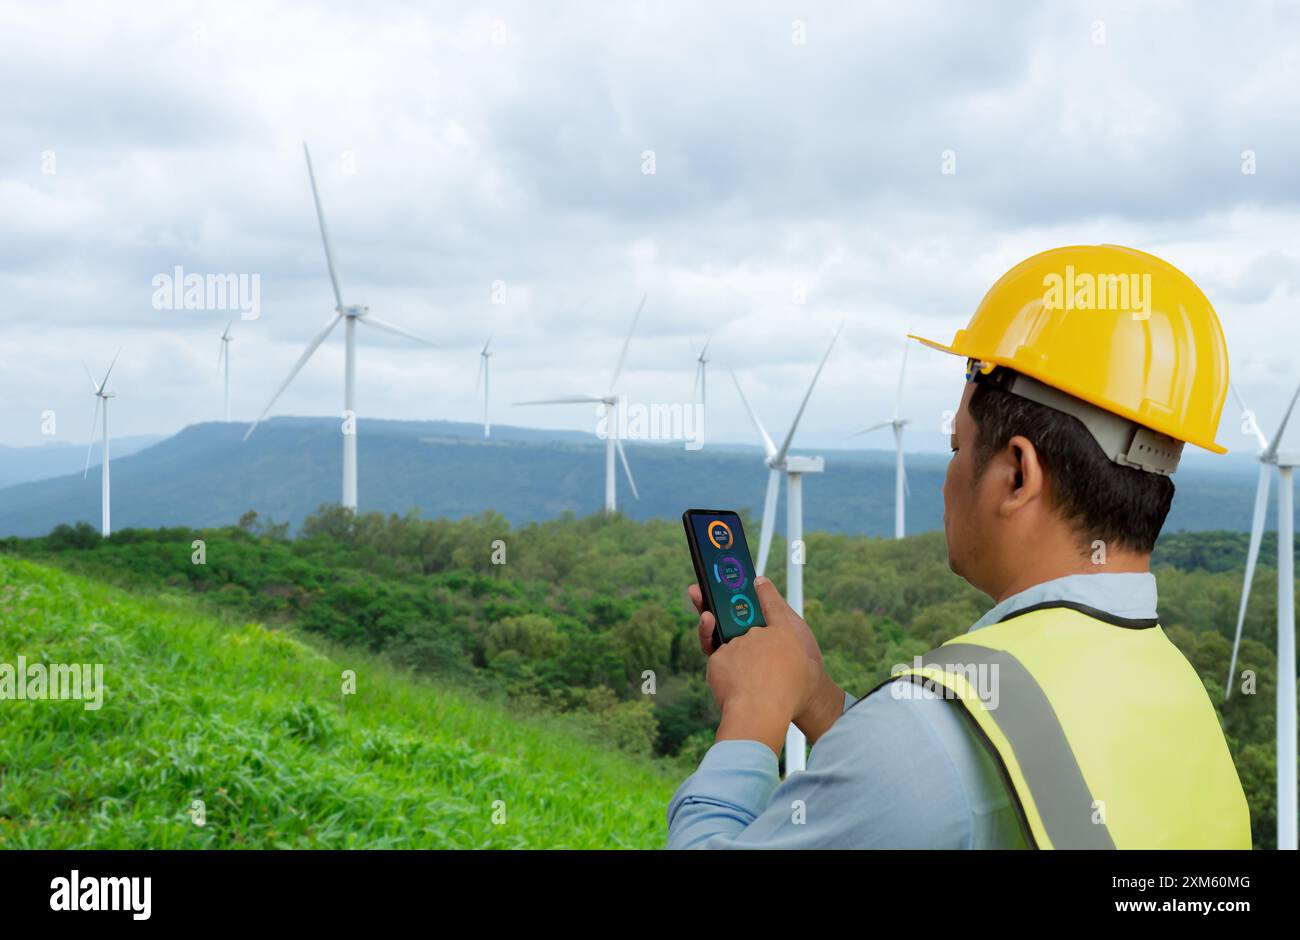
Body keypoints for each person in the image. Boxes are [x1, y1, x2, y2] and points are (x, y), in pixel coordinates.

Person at [667, 245, 1252, 849]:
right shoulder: (1178, 693)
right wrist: (815, 695)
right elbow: (966, 801)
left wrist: (750, 721)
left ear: (1017, 475)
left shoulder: (925, 731)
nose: (947, 475)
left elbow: (931, 779)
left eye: (957, 446)